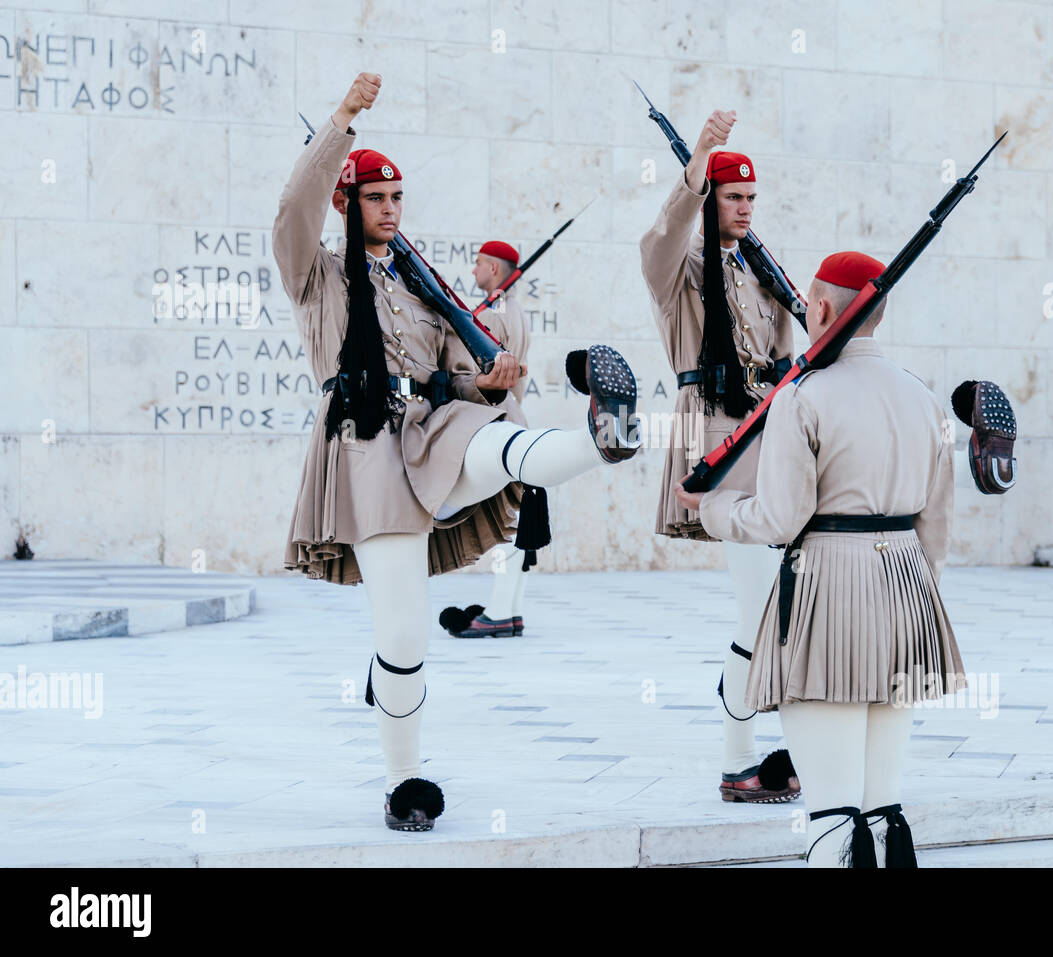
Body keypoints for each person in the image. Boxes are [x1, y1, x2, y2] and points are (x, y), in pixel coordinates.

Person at [275, 72, 641, 831]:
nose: (390, 208)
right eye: (376, 196)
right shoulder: (319, 274)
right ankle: (403, 781)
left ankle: (603, 435)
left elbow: (466, 379)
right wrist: (343, 121)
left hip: (435, 429)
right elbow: (292, 208)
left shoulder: (421, 291)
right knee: (403, 638)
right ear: (347, 204)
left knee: (502, 442)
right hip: (368, 446)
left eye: (397, 197)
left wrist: (494, 374)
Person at [674, 251, 967, 866]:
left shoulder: (804, 397)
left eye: (809, 304)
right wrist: (909, 590)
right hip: (908, 585)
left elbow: (779, 518)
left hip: (830, 584)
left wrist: (713, 508)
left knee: (834, 810)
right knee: (884, 809)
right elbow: (935, 524)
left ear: (824, 309)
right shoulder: (923, 397)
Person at [640, 108, 802, 803]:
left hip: (772, 438)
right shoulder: (680, 269)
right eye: (731, 196)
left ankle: (765, 733)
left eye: (749, 198)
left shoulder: (763, 275)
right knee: (756, 605)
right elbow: (663, 236)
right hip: (715, 437)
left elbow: (789, 362)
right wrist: (697, 164)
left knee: (781, 601)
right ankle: (739, 760)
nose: (742, 208)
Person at [439, 241, 535, 639]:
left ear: (494, 269)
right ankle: (508, 610)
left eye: (478, 263)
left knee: (501, 522)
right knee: (513, 521)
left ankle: (498, 612)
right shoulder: (512, 311)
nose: (474, 270)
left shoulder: (491, 317)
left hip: (492, 418)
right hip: (512, 416)